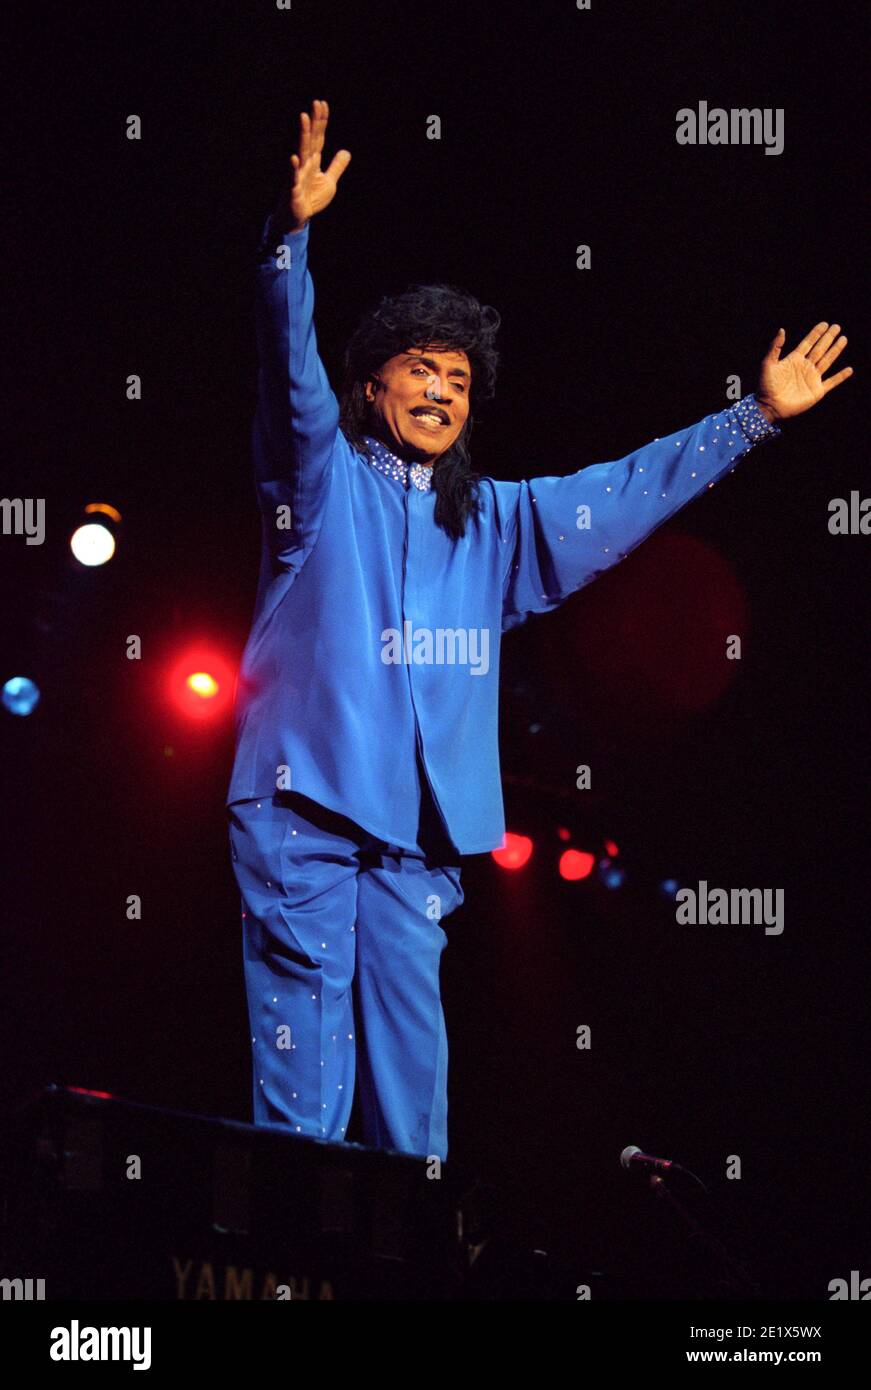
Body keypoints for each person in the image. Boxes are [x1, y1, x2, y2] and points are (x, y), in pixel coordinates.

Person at [226, 99, 852, 1162]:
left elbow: (622, 491)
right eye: (418, 369)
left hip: (417, 844)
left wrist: (750, 419)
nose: (439, 389)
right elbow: (289, 382)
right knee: (307, 1095)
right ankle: (294, 1270)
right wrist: (291, 242)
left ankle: (407, 1273)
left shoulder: (496, 522)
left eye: (458, 380)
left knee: (417, 1108)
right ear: (372, 383)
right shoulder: (324, 480)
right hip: (308, 810)